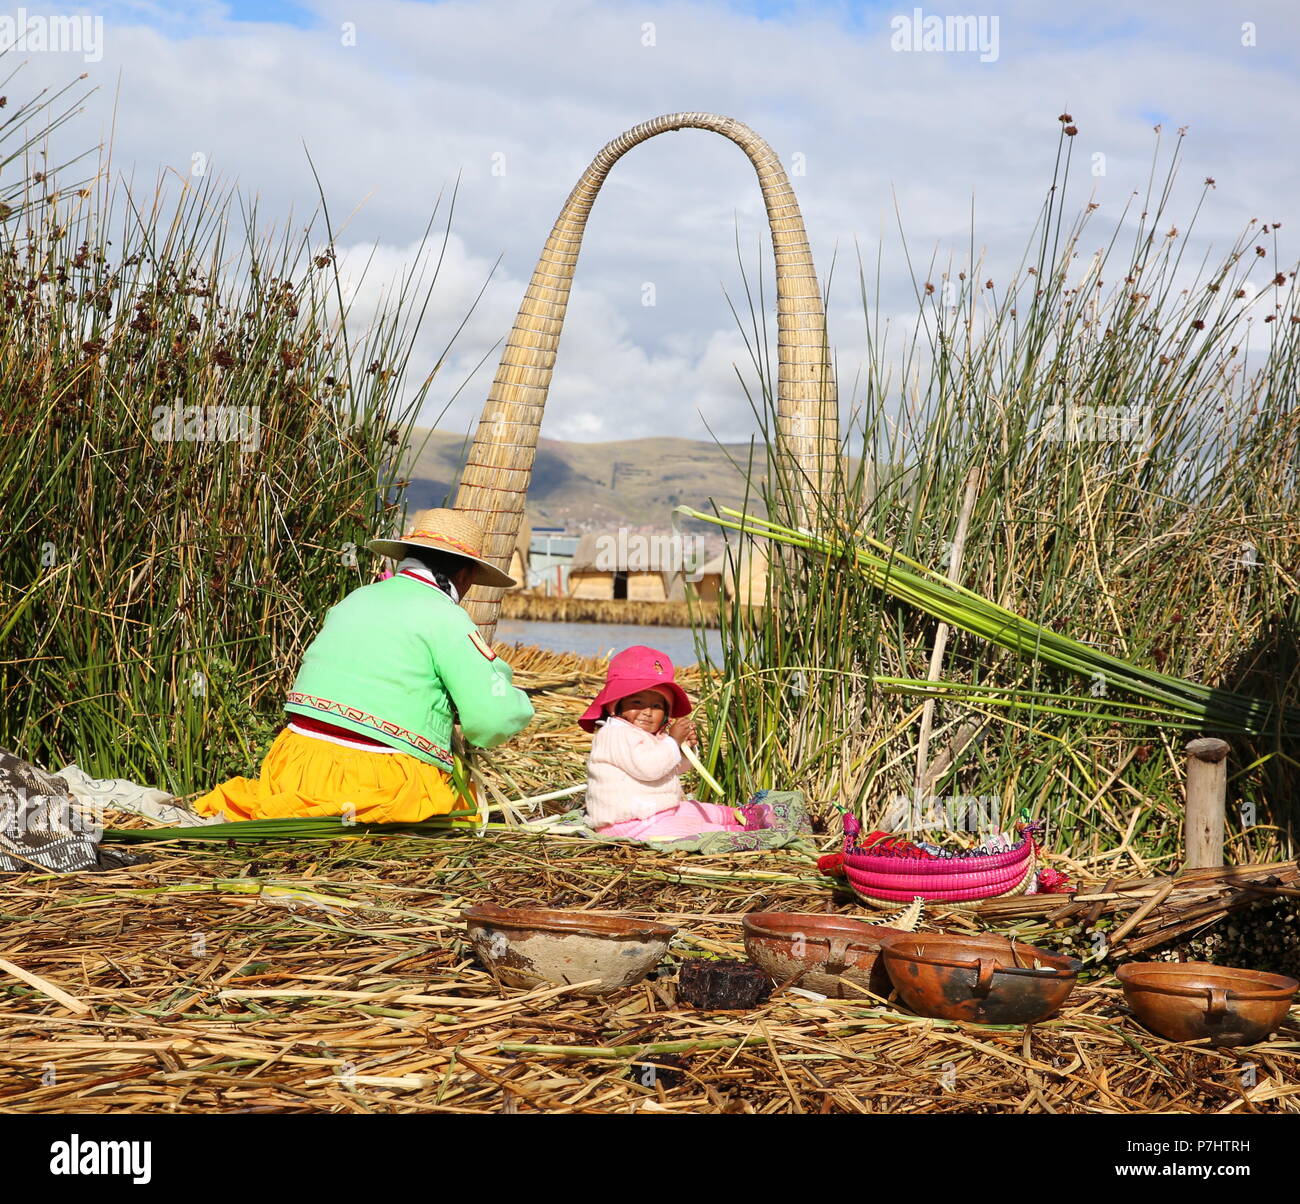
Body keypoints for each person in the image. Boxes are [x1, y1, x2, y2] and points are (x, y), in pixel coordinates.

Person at [193, 509, 534, 823]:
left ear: (408, 558)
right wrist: (516, 699)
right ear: (464, 573)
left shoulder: (355, 599)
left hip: (293, 766)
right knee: (466, 807)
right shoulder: (446, 618)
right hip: (377, 781)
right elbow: (492, 719)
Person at [579, 646, 772, 841]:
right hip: (628, 824)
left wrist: (683, 748)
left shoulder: (651, 735)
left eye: (656, 706)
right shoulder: (614, 734)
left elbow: (672, 768)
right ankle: (736, 833)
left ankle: (738, 815)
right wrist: (672, 741)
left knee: (696, 810)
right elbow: (649, 768)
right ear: (615, 706)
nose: (647, 712)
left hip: (657, 813)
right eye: (637, 703)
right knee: (692, 830)